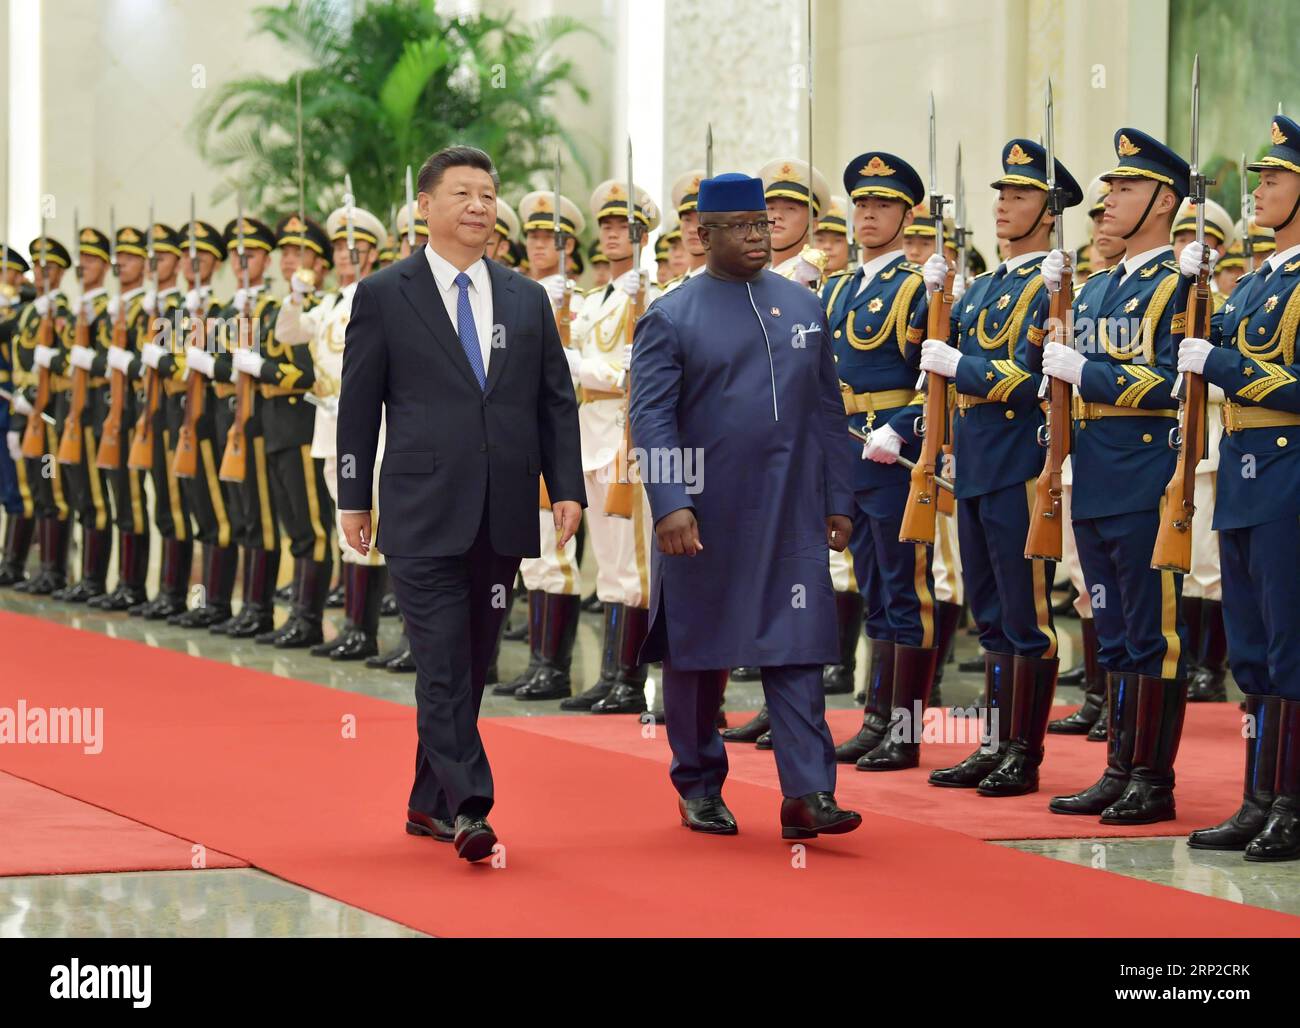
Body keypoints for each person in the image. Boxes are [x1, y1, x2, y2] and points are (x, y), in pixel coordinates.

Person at [337, 145, 584, 862]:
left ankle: (426, 802)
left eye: (487, 194)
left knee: (473, 662)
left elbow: (554, 402)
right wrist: (354, 496)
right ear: (425, 206)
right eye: (462, 194)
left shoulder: (524, 297)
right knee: (442, 660)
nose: (478, 206)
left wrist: (564, 487)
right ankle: (471, 807)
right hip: (419, 508)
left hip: (502, 507)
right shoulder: (386, 293)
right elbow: (358, 406)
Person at [630, 171, 862, 839]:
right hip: (703, 513)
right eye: (742, 227)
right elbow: (651, 418)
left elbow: (826, 410)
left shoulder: (803, 306)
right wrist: (672, 502)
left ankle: (807, 792)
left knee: (799, 647)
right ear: (703, 235)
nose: (760, 236)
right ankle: (699, 785)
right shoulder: (671, 314)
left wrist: (838, 498)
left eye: (763, 224)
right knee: (699, 655)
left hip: (789, 510)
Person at [921, 139, 1081, 795]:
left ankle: (1024, 750)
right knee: (988, 611)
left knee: (1027, 611)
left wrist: (965, 367)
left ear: (1049, 210)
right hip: (977, 460)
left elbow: (1037, 379)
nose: (1003, 204)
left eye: (1019, 195)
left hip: (1020, 460)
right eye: (1001, 193)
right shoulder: (985, 285)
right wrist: (934, 297)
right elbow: (932, 355)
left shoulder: (1054, 284)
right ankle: (993, 742)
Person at [1044, 128, 1191, 825]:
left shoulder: (1178, 285)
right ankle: (1119, 768)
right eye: (1110, 188)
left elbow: (1174, 384)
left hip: (1147, 476)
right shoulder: (1099, 286)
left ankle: (1152, 780)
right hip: (1096, 475)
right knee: (1113, 628)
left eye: (1126, 188)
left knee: (1151, 633)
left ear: (1164, 201)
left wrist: (1090, 372)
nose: (1108, 201)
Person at [1183, 114, 1300, 861]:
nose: (1259, 189)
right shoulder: (1259, 279)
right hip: (1247, 472)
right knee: (1251, 651)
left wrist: (1220, 363)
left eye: (1276, 178)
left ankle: (1291, 801)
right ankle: (1258, 797)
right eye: (1257, 177)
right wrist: (1188, 286)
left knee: (1291, 646)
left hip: (1291, 473)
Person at [820, 151, 935, 772]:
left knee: (903, 590)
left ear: (906, 216)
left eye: (882, 205)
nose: (868, 215)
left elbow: (934, 382)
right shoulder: (838, 288)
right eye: (861, 204)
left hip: (892, 456)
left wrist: (900, 429)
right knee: (872, 589)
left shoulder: (916, 287)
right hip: (846, 454)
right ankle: (876, 719)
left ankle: (907, 731)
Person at [562, 179, 662, 715]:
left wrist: (580, 367)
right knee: (608, 566)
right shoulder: (596, 298)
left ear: (642, 233)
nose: (612, 234)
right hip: (591, 436)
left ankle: (630, 679)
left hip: (628, 438)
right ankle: (610, 675)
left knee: (633, 565)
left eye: (623, 226)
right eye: (605, 226)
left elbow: (633, 373)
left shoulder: (652, 296)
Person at [278, 202, 388, 660]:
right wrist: (294, 294)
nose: (345, 255)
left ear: (371, 253)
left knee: (374, 525)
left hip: (370, 430)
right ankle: (352, 629)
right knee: (350, 530)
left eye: (355, 247)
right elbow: (289, 332)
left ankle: (365, 631)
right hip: (328, 429)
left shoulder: (379, 297)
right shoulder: (328, 304)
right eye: (340, 247)